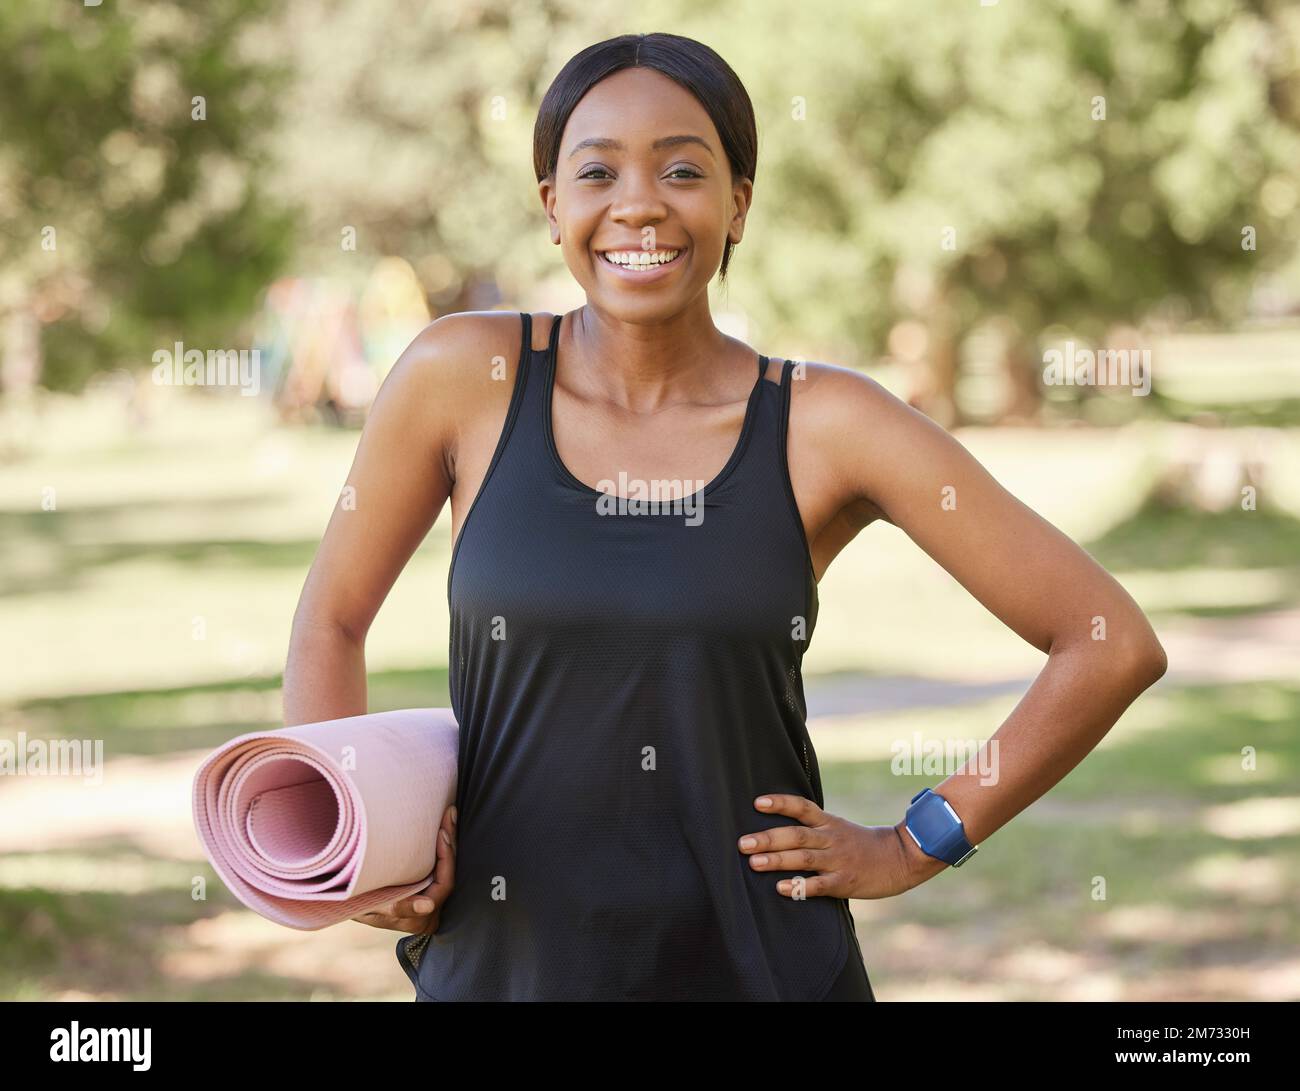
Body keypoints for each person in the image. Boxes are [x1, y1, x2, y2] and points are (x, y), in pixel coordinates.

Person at [282, 32, 1167, 1001]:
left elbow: (1105, 639)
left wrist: (916, 841)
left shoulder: (828, 423)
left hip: (761, 966)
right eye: (596, 171)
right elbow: (331, 618)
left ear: (738, 202)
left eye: (682, 170)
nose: (638, 204)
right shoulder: (463, 377)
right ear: (552, 205)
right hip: (503, 967)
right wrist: (352, 848)